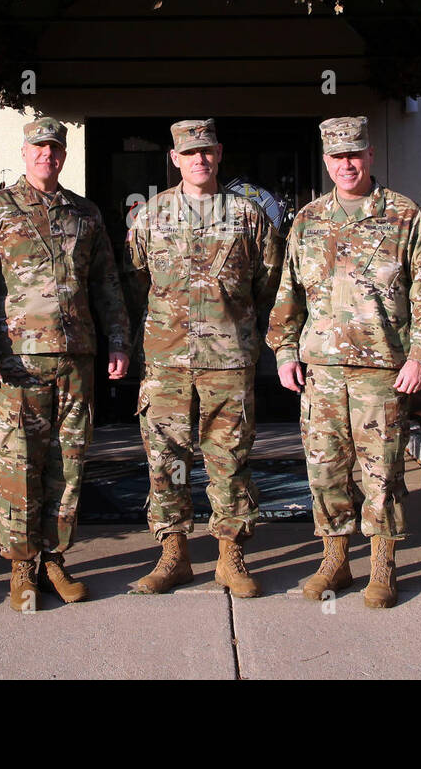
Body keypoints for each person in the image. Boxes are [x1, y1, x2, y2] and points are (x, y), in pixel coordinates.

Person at [267, 117, 421, 608]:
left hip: (381, 371)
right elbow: (289, 293)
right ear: (326, 160)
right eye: (336, 157)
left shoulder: (404, 215)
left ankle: (383, 566)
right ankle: (335, 559)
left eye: (355, 155)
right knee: (325, 470)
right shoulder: (307, 220)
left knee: (382, 472)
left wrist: (420, 355)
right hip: (321, 372)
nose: (346, 165)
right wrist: (285, 351)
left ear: (369, 156)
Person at [0, 116, 130, 611]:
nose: (46, 156)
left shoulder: (85, 213)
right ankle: (21, 567)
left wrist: (118, 339)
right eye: (38, 148)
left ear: (63, 154)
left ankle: (55, 556)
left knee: (69, 464)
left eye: (55, 149)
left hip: (77, 359)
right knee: (19, 465)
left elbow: (106, 283)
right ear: (24, 151)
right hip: (18, 362)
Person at [124, 119, 283, 598]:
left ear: (219, 154)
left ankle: (230, 558)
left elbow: (269, 283)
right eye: (189, 152)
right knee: (165, 460)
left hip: (228, 361)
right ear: (174, 158)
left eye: (207, 151)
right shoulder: (150, 216)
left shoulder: (248, 216)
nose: (199, 159)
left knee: (229, 459)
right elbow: (136, 284)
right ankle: (174, 555)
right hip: (166, 364)